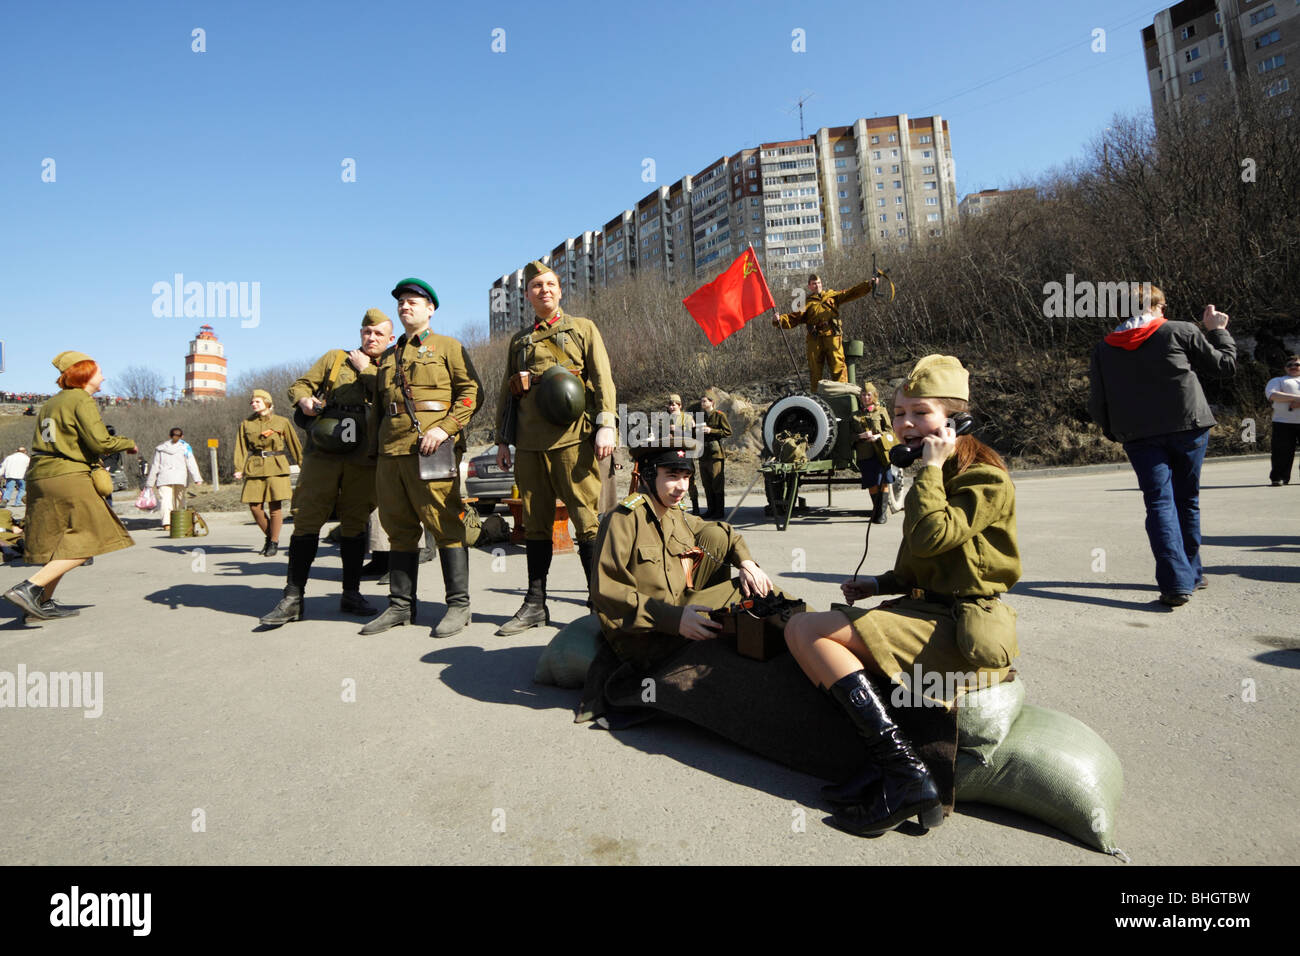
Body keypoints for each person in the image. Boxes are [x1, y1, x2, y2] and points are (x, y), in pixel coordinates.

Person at [783, 355, 1020, 838]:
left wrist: (930, 470)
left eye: (921, 412)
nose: (906, 424)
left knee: (807, 630)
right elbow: (925, 562)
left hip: (961, 626)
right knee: (814, 627)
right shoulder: (932, 472)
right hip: (924, 610)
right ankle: (888, 765)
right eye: (899, 413)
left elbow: (934, 536)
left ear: (955, 420)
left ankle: (905, 772)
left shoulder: (983, 477)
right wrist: (880, 584)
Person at [1088, 288, 1236, 606]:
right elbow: (1224, 366)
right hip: (1188, 426)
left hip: (1138, 436)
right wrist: (1218, 331)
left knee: (1158, 504)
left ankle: (1176, 582)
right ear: (1156, 306)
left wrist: (1114, 431)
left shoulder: (1104, 348)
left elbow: (1097, 400)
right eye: (1162, 304)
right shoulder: (1180, 330)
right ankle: (1191, 574)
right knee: (1187, 501)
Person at [495, 260, 617, 636]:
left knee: (586, 520)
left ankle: (600, 602)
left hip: (573, 440)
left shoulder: (582, 328)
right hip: (530, 444)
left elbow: (602, 377)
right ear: (527, 295)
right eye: (535, 286)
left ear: (560, 290)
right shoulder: (519, 341)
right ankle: (535, 603)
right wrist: (503, 439)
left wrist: (606, 424)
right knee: (534, 522)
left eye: (550, 284)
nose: (543, 290)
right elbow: (506, 392)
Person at [361, 279, 481, 638]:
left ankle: (458, 606)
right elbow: (379, 411)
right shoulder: (387, 357)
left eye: (413, 301)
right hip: (391, 452)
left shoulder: (448, 347)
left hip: (433, 449)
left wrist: (446, 428)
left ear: (430, 309)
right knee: (398, 529)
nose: (405, 307)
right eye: (401, 303)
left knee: (445, 525)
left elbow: (471, 392)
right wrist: (373, 452)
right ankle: (400, 606)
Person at [591, 438, 774, 672]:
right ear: (647, 475)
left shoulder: (673, 511)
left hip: (679, 609)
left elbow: (721, 533)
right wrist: (673, 619)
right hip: (646, 632)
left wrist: (747, 563)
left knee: (750, 586)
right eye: (672, 476)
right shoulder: (623, 519)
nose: (682, 487)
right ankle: (808, 632)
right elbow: (607, 592)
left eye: (686, 477)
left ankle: (800, 626)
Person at [259, 308, 392, 627]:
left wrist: (367, 372)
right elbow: (300, 385)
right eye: (366, 332)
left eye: (378, 334)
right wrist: (304, 400)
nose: (370, 338)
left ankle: (351, 592)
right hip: (324, 452)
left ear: (389, 339)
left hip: (364, 456)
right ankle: (293, 598)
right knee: (307, 517)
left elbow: (392, 399)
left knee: (355, 522)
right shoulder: (335, 358)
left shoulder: (391, 366)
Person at [2, 352, 138, 622]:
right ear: (85, 373)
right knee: (89, 541)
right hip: (68, 475)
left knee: (59, 544)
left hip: (41, 475)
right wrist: (127, 443)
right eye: (99, 372)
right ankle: (28, 589)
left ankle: (40, 603)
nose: (103, 377)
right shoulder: (81, 399)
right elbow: (101, 442)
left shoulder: (51, 403)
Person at [773, 272, 878, 390]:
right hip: (815, 338)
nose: (817, 286)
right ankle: (816, 397)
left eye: (818, 283)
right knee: (815, 370)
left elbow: (850, 293)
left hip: (832, 335)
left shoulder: (831, 295)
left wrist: (868, 285)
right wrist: (779, 320)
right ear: (809, 286)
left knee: (838, 366)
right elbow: (794, 317)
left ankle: (842, 394)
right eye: (814, 284)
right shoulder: (806, 302)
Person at [233, 389, 303, 557]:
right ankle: (270, 536)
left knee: (274, 507)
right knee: (254, 507)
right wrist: (238, 468)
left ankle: (274, 541)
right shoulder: (247, 423)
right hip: (255, 466)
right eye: (252, 402)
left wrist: (303, 463)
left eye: (257, 401)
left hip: (276, 466)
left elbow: (294, 444)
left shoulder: (282, 422)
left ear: (267, 402)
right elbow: (241, 448)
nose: (253, 404)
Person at [853, 382, 896, 524]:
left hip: (881, 452)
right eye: (863, 395)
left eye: (868, 395)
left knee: (883, 481)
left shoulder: (881, 411)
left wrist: (878, 436)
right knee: (871, 483)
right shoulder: (855, 416)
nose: (866, 397)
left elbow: (890, 431)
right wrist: (861, 436)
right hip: (865, 453)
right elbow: (849, 437)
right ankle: (876, 512)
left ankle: (882, 514)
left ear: (874, 396)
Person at [145, 429, 203, 531]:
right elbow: (191, 464)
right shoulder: (185, 448)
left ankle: (167, 524)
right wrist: (197, 478)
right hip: (180, 477)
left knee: (165, 500)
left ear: (169, 436)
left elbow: (155, 466)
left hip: (164, 477)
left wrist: (150, 483)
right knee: (180, 500)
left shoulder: (161, 448)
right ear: (182, 436)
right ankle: (180, 521)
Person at [1264, 355, 1300, 486]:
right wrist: (1298, 398)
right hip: (1283, 422)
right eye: (1290, 365)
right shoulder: (1278, 380)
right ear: (1285, 368)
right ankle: (1278, 477)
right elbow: (1273, 395)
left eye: (1297, 364)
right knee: (1281, 452)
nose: (1293, 367)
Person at [696, 390, 732, 519]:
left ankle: (719, 511)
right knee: (707, 484)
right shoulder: (700, 416)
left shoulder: (719, 415)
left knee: (717, 484)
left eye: (705, 401)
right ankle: (710, 510)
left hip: (716, 454)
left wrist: (711, 430)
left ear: (712, 402)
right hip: (703, 454)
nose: (702, 403)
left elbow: (727, 432)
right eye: (701, 401)